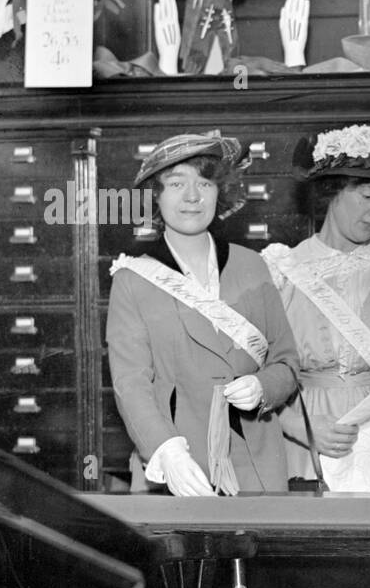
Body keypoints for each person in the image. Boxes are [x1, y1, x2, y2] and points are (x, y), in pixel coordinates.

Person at [106, 131, 299, 495]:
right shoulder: (132, 280)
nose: (192, 196)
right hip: (176, 462)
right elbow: (130, 385)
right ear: (156, 197)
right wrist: (165, 451)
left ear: (220, 192)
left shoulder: (252, 266)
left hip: (257, 461)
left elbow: (287, 361)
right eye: (176, 183)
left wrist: (264, 386)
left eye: (205, 183)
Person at [262, 124, 370, 491]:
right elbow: (253, 374)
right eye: (367, 195)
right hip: (307, 436)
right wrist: (299, 427)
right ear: (333, 192)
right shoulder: (282, 268)